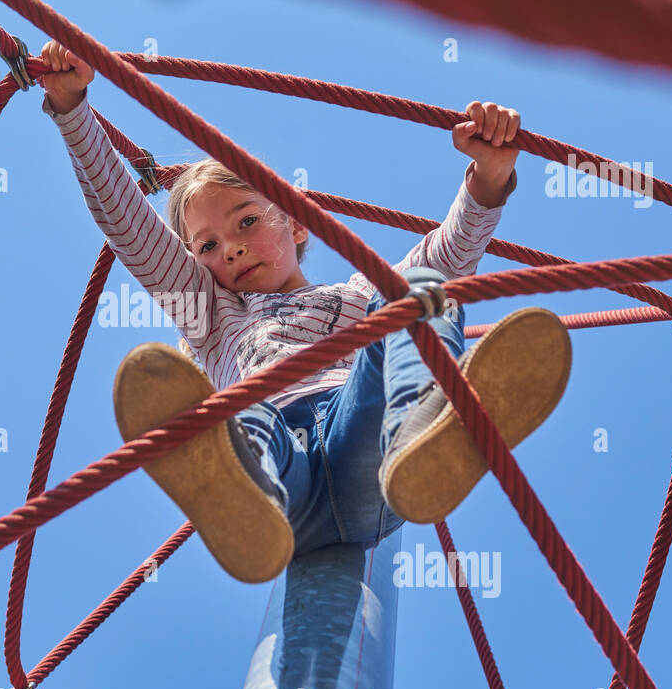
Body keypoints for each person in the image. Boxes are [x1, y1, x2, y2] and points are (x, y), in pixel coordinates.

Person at [38, 41, 571, 583]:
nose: (231, 249)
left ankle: (422, 434)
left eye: (246, 222)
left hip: (371, 456)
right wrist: (74, 113)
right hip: (284, 479)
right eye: (206, 247)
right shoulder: (213, 318)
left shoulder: (361, 297)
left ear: (295, 224)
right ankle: (241, 495)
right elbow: (132, 232)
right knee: (249, 419)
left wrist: (489, 178)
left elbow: (449, 254)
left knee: (423, 289)